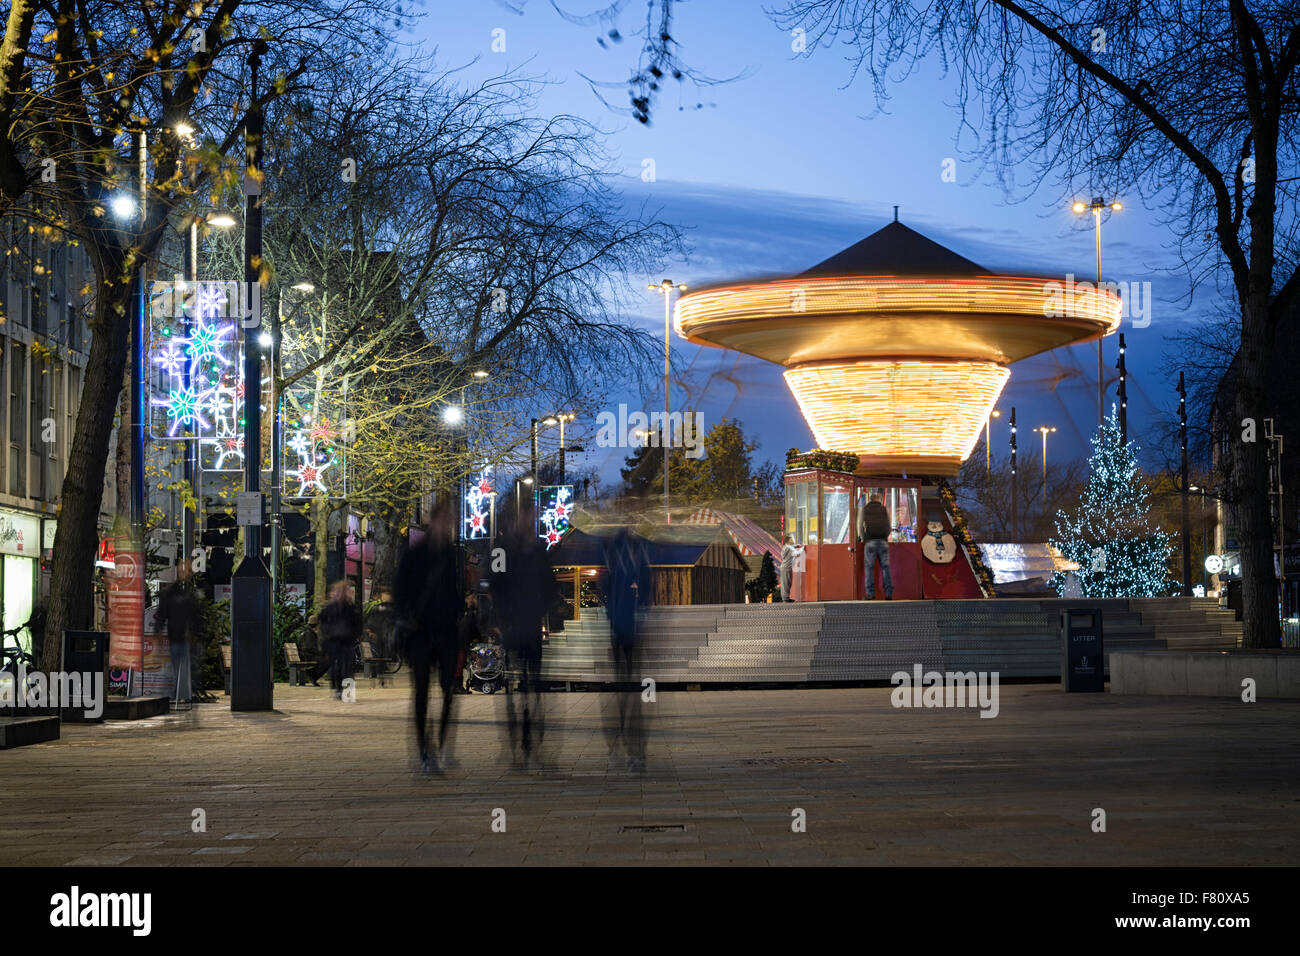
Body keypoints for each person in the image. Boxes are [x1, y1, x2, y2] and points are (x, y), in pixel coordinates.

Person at [393, 504, 461, 773]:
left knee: (448, 691)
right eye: (445, 520)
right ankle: (424, 751)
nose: (448, 526)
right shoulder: (414, 555)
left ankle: (441, 748)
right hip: (420, 631)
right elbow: (401, 593)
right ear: (433, 521)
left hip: (445, 631)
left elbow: (454, 591)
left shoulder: (451, 554)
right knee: (421, 692)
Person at [489, 515, 557, 768]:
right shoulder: (532, 552)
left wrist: (504, 616)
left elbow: (495, 586)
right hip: (523, 625)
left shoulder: (507, 551)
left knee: (520, 683)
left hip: (518, 626)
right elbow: (550, 588)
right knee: (526, 683)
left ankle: (522, 739)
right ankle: (524, 739)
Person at [602, 528, 652, 773]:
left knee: (625, 693)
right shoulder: (629, 551)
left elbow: (606, 587)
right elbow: (645, 588)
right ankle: (630, 750)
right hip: (626, 628)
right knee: (629, 694)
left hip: (624, 629)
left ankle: (623, 749)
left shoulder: (614, 551)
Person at [155, 567, 199, 705]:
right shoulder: (183, 595)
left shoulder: (175, 595)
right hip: (179, 636)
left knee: (178, 665)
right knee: (181, 665)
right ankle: (181, 693)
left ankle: (179, 693)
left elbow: (163, 614)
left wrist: (159, 629)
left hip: (177, 635)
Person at [317, 581, 361, 698]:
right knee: (336, 665)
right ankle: (338, 688)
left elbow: (357, 623)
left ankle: (344, 689)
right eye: (339, 591)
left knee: (346, 666)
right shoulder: (329, 608)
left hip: (346, 641)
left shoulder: (350, 608)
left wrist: (354, 635)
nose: (340, 594)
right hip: (334, 641)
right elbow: (322, 622)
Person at [858, 492, 893, 600]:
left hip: (870, 542)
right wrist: (885, 535)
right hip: (883, 542)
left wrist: (864, 538)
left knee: (869, 568)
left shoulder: (864, 509)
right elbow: (889, 525)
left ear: (871, 499)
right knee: (885, 568)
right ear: (879, 500)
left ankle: (870, 593)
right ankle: (888, 593)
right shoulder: (885, 509)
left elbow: (859, 525)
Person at [455, 593, 481, 694]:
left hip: (462, 642)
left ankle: (458, 686)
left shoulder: (470, 612)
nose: (473, 600)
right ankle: (457, 687)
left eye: (474, 598)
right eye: (471, 598)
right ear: (466, 599)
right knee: (459, 664)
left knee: (460, 664)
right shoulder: (466, 613)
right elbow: (465, 630)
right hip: (460, 643)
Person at [779, 534, 798, 602]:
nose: (794, 539)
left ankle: (785, 598)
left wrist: (795, 546)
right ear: (789, 540)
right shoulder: (790, 548)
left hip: (784, 568)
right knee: (787, 583)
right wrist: (802, 548)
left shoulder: (785, 547)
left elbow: (790, 548)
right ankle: (786, 598)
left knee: (786, 583)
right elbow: (797, 553)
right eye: (793, 538)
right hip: (787, 568)